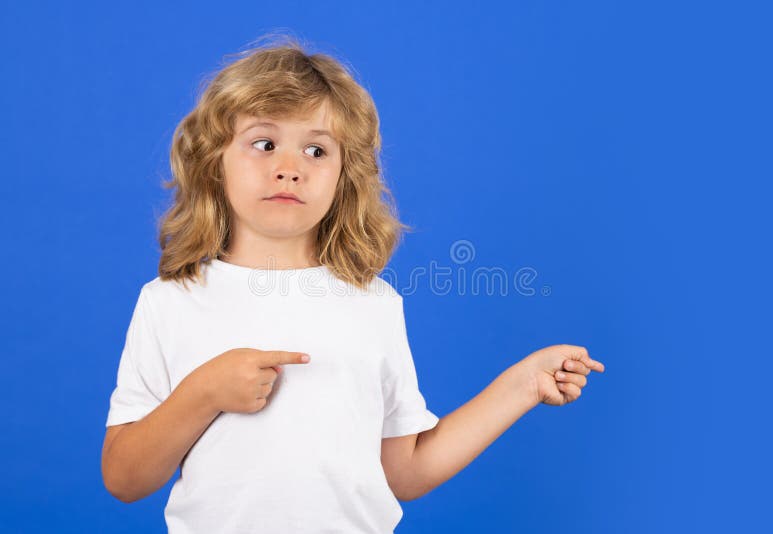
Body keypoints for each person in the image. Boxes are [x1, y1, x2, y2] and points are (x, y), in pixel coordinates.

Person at [100, 34, 606, 534]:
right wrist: (201, 393)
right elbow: (124, 478)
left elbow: (403, 472)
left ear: (345, 176)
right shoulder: (169, 303)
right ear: (215, 163)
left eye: (316, 151)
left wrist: (520, 387)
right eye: (264, 143)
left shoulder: (374, 305)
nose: (289, 169)